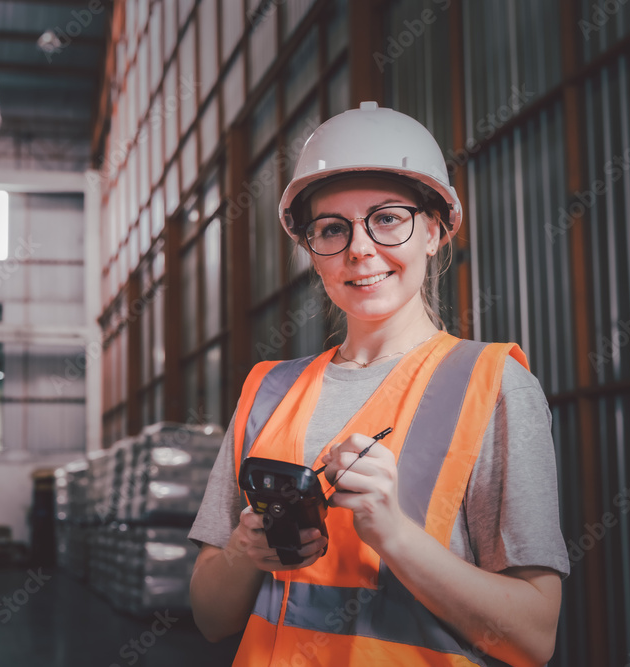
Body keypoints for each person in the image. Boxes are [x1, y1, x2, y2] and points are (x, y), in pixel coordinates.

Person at [188, 102, 568, 667]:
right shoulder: (266, 391)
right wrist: (245, 550)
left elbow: (533, 639)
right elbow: (211, 619)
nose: (360, 249)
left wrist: (393, 534)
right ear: (313, 253)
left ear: (434, 230)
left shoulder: (493, 385)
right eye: (332, 229)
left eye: (388, 218)